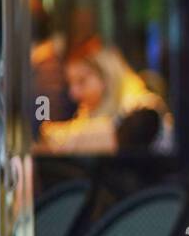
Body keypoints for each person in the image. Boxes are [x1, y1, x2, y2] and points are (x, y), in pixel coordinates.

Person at [38, 41, 168, 153]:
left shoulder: (144, 108)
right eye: (70, 84)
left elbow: (118, 135)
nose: (73, 93)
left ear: (108, 76)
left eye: (81, 81)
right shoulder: (91, 111)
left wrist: (56, 138)